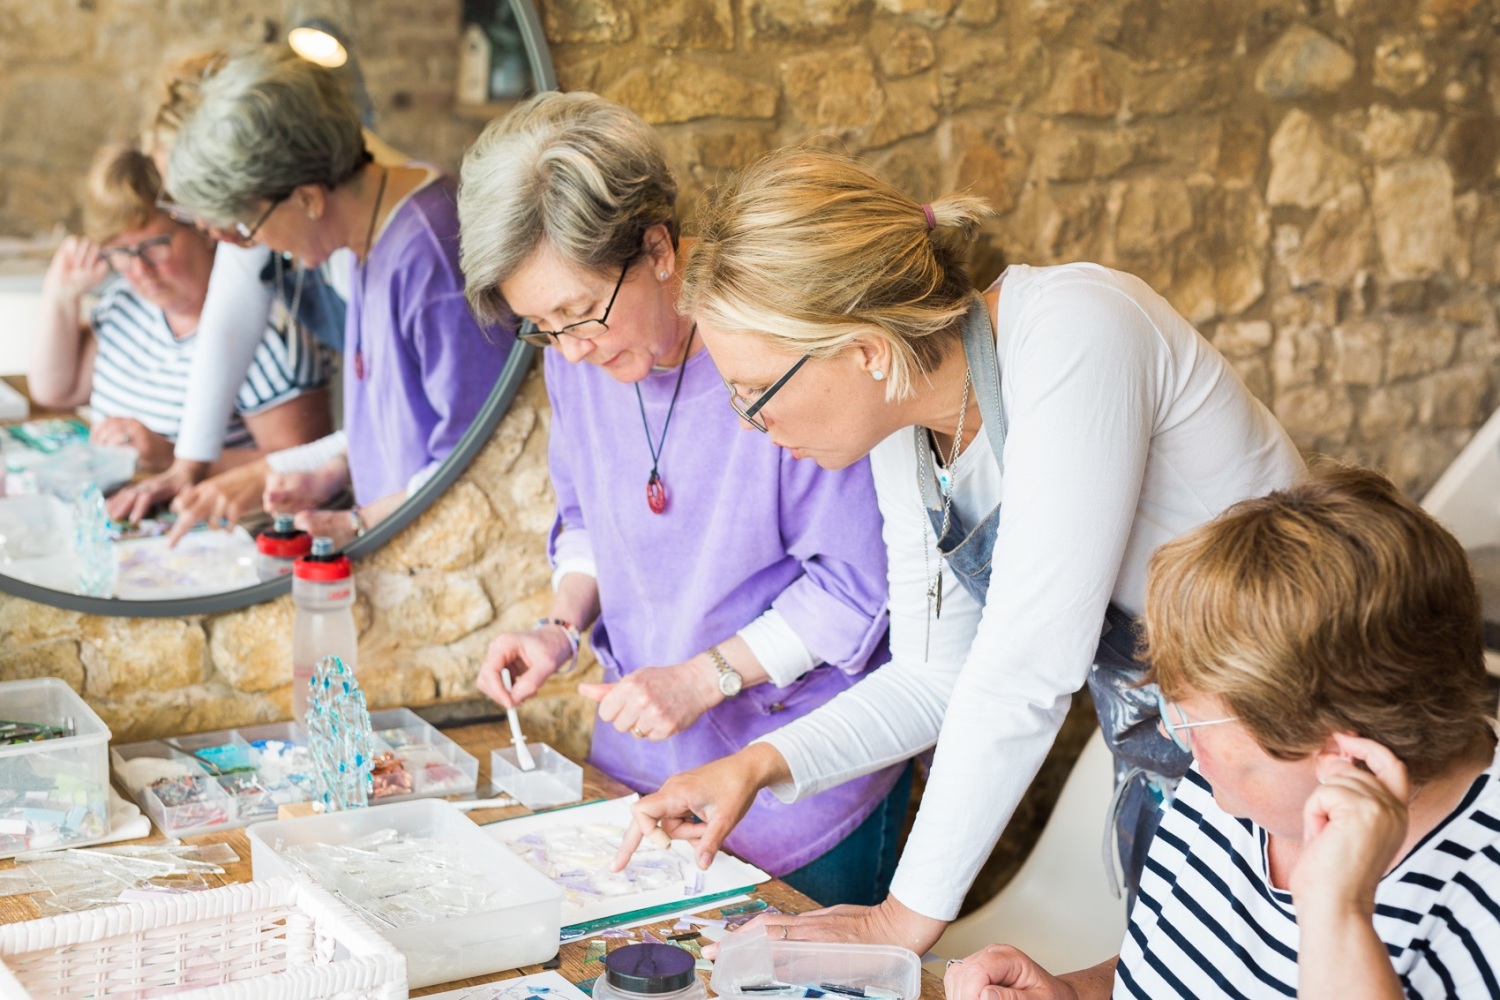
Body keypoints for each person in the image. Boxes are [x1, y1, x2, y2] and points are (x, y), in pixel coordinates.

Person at [618, 147, 1305, 950]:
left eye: (754, 394)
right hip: (1184, 745)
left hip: (1302, 733)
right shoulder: (907, 431)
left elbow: (1027, 667)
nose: (753, 427)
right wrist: (758, 764)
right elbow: (933, 678)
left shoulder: (1077, 332)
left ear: (867, 350)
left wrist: (899, 920)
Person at [455, 92, 907, 905]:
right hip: (643, 778)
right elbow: (588, 518)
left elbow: (855, 589)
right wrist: (561, 627)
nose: (571, 350)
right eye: (542, 325)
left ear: (657, 248)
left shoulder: (781, 345)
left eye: (580, 313)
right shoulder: (573, 358)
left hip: (798, 785)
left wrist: (701, 680)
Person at [945, 464, 1500, 999]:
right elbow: (1180, 974)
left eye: (1191, 718)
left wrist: (1336, 914)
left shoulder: (1484, 912)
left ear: (1345, 760)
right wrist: (1072, 993)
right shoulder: (1236, 785)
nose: (1173, 733)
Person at [162, 46, 513, 546]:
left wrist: (358, 523)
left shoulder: (433, 259)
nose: (255, 244)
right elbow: (407, 419)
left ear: (308, 198)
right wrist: (334, 471)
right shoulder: (364, 242)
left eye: (248, 227)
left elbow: (479, 458)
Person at [106, 49, 354, 524]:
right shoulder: (261, 221)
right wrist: (188, 465)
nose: (203, 224)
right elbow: (228, 324)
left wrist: (267, 471)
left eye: (201, 197)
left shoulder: (349, 235)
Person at [29, 143, 331, 476]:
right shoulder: (125, 306)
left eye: (154, 246)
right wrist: (60, 294)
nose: (140, 270)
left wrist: (172, 457)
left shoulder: (262, 332)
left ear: (205, 228)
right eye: (122, 253)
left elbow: (305, 464)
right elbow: (56, 391)